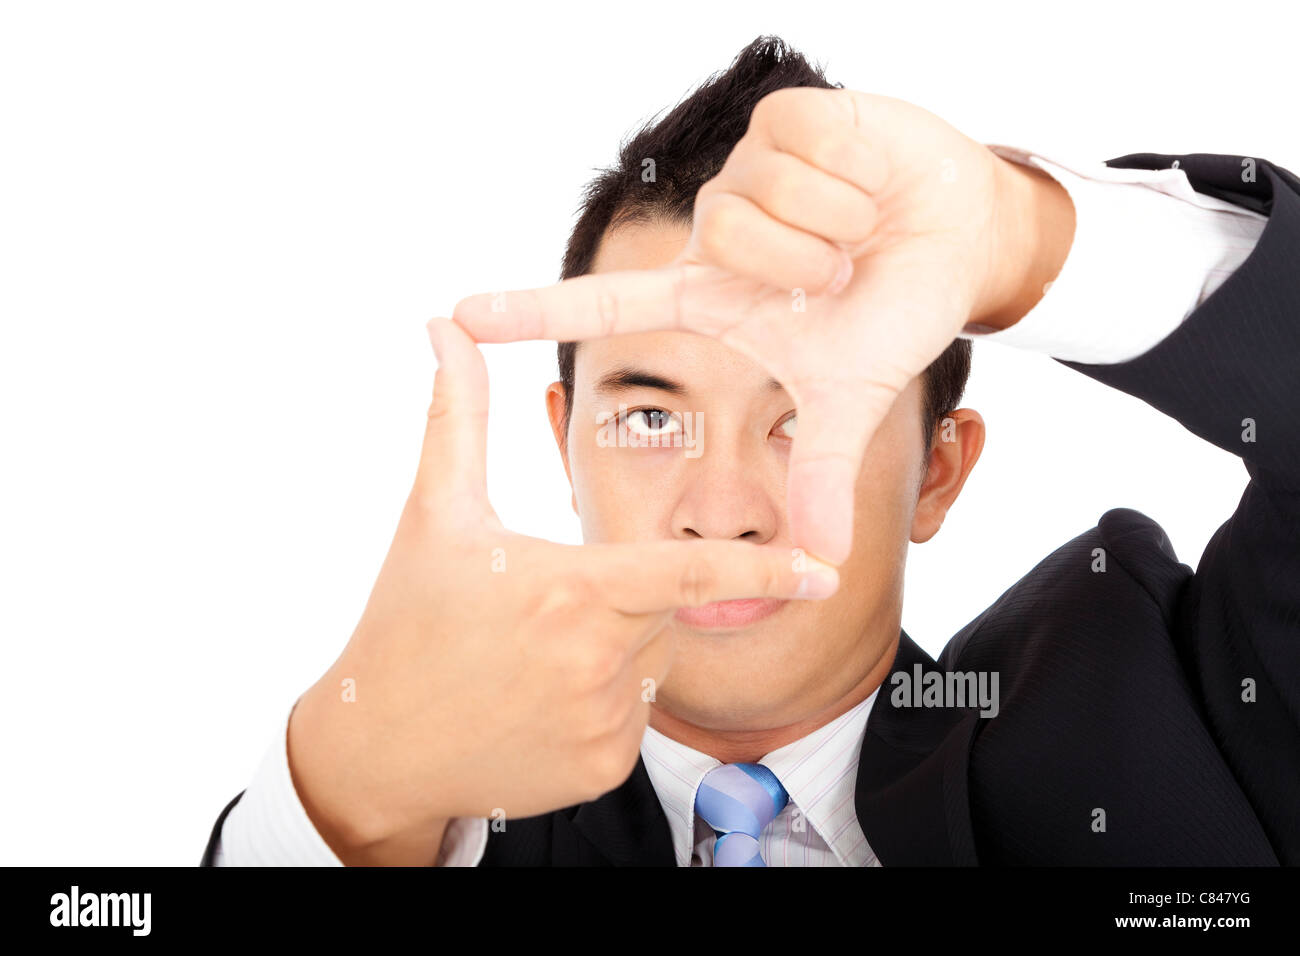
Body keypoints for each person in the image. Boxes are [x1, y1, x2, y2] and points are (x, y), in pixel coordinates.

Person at [204, 36, 1297, 866]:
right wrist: (345, 782)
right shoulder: (444, 826)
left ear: (938, 469)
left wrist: (1026, 239)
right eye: (649, 417)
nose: (719, 509)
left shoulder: (1152, 707)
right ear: (565, 446)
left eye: (798, 417)